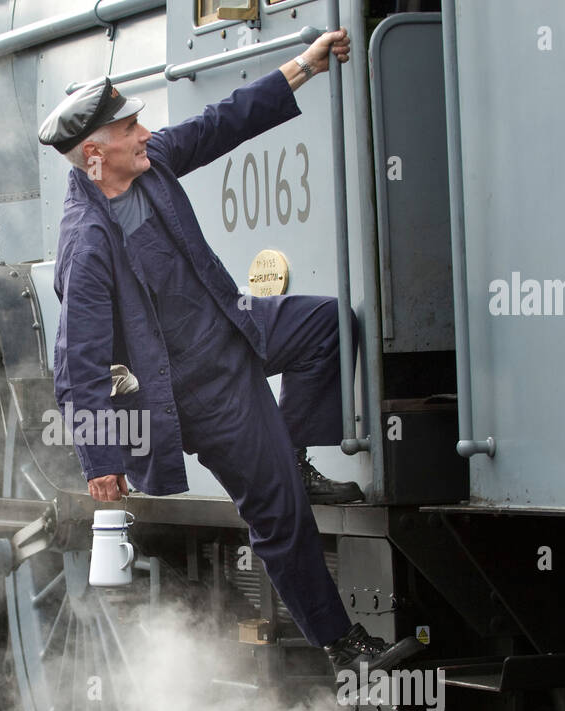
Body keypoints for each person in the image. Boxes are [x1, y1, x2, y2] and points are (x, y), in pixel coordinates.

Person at [38, 29, 421, 673]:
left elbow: (222, 124)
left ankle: (293, 454)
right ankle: (344, 649)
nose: (144, 132)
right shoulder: (86, 245)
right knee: (281, 516)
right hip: (199, 390)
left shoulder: (149, 163)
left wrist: (304, 65)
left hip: (236, 322)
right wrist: (100, 458)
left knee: (327, 324)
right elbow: (79, 364)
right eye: (130, 127)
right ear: (95, 155)